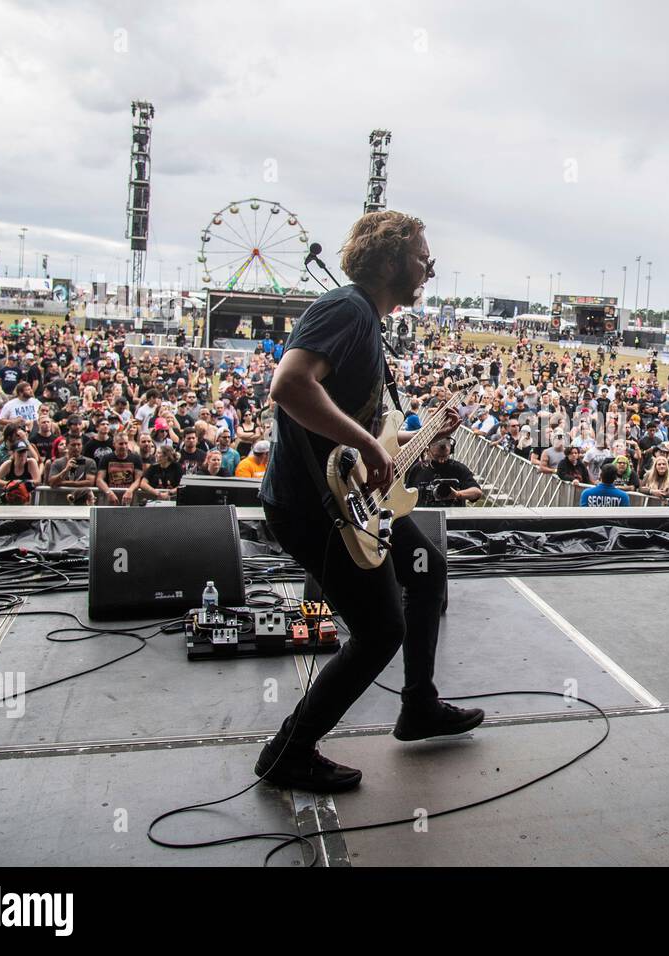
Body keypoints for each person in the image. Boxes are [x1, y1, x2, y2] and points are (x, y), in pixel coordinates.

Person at [255, 209, 482, 795]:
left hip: (348, 495)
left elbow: (364, 434)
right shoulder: (347, 309)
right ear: (389, 261)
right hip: (314, 506)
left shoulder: (368, 321)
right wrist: (364, 443)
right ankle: (290, 751)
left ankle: (418, 707)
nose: (430, 268)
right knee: (381, 629)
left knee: (428, 573)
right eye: (422, 257)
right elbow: (289, 385)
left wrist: (416, 437)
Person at [404, 436, 483, 507]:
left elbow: (477, 492)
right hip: (424, 518)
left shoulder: (458, 469)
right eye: (437, 456)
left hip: (452, 518)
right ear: (428, 450)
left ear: (450, 451)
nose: (441, 461)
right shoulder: (418, 469)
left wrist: (457, 494)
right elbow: (406, 495)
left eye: (445, 456)